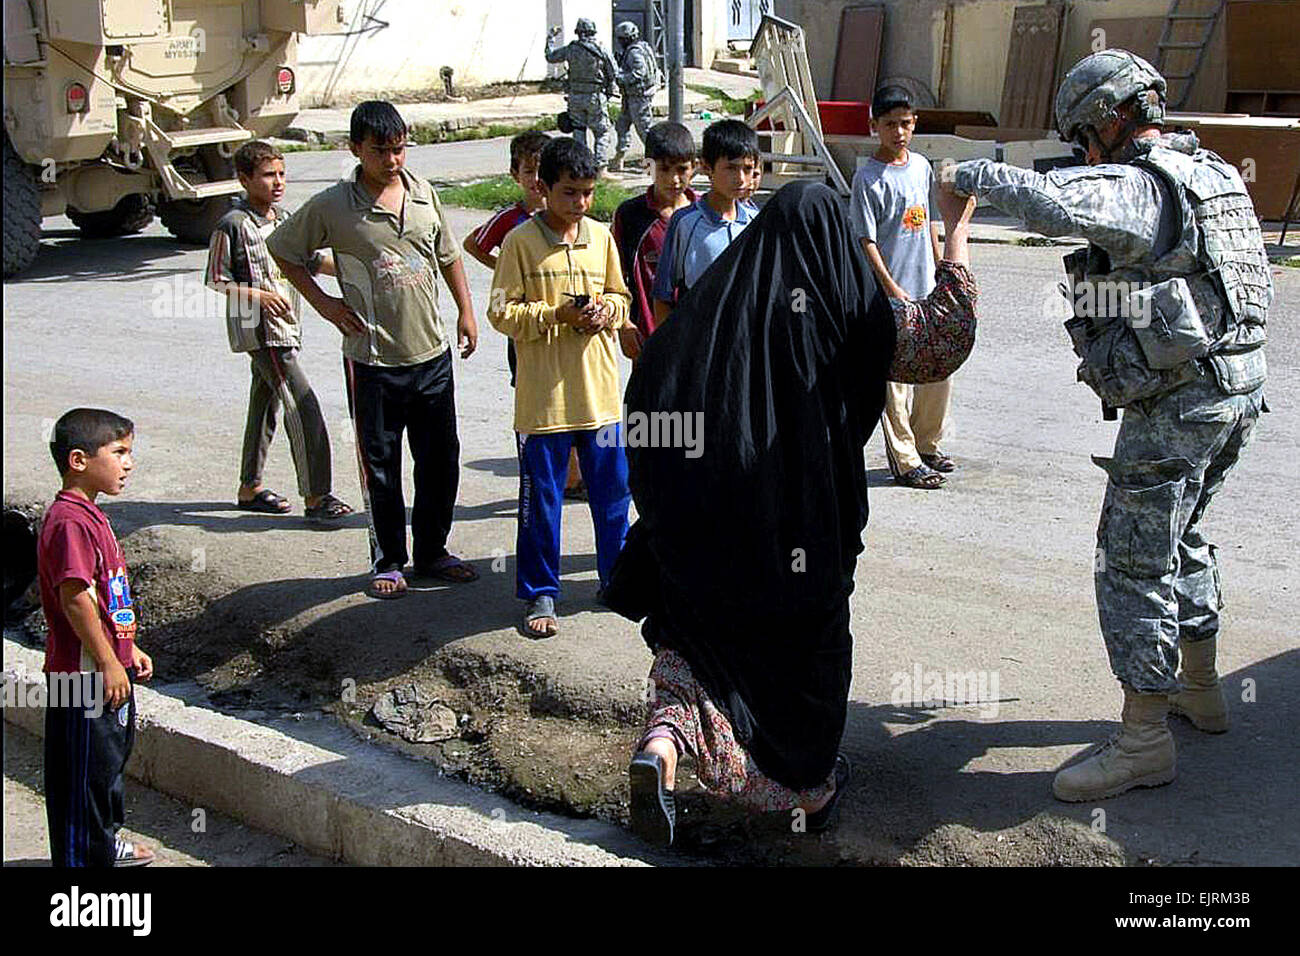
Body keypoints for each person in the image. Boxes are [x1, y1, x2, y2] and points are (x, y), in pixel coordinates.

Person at [605, 180, 981, 847]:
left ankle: (663, 746)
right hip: (798, 538)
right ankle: (809, 787)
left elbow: (645, 413)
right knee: (804, 657)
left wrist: (676, 508)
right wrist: (954, 232)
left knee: (695, 640)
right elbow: (942, 339)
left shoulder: (703, 316)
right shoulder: (849, 312)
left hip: (701, 536)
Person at [946, 49, 1271, 802]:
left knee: (1131, 559)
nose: (1086, 153)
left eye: (1085, 138)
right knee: (1183, 531)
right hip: (1238, 388)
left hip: (1182, 401)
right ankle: (1202, 688)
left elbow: (1054, 204)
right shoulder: (1216, 173)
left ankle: (1143, 741)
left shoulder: (1137, 184)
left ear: (1108, 120)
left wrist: (967, 174)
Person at [268, 101, 480, 599]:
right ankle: (388, 559)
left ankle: (433, 551)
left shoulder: (424, 195)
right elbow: (283, 249)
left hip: (431, 354)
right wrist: (323, 304)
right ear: (356, 150)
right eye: (381, 151)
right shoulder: (334, 206)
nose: (392, 160)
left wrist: (465, 313)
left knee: (440, 459)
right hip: (372, 361)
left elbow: (449, 257)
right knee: (380, 464)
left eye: (399, 149)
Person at [487, 137, 633, 638]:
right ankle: (541, 592)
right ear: (543, 188)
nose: (581, 203)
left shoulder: (602, 237)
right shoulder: (519, 243)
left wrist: (605, 311)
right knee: (542, 502)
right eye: (570, 193)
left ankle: (616, 579)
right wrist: (556, 314)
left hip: (600, 397)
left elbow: (621, 297)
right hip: (544, 403)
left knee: (614, 497)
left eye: (589, 193)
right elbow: (501, 311)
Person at [205, 140, 353, 522]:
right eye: (268, 175)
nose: (278, 182)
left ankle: (249, 487)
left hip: (286, 327)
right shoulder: (232, 225)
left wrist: (361, 266)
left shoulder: (284, 219)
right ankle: (318, 497)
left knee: (264, 405)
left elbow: (312, 260)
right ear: (244, 179)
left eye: (282, 174)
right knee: (304, 407)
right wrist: (258, 296)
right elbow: (217, 279)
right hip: (262, 332)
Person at [39, 408, 155, 867]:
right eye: (119, 452)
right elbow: (76, 598)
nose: (129, 463)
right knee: (80, 778)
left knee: (106, 767)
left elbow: (105, 597)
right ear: (79, 460)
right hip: (82, 678)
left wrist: (128, 648)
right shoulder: (69, 521)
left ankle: (103, 846)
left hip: (107, 669)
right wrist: (107, 660)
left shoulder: (91, 515)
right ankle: (79, 864)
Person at [463, 131, 587, 501]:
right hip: (527, 326)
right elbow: (473, 244)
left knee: (576, 398)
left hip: (569, 326)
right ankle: (542, 475)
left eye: (541, 170)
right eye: (528, 171)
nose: (535, 180)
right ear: (514, 174)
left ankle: (575, 475)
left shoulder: (572, 211)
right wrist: (504, 268)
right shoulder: (512, 221)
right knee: (534, 396)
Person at [853, 84, 954, 490]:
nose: (898, 132)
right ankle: (906, 459)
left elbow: (928, 220)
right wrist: (891, 286)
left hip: (927, 288)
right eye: (890, 124)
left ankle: (928, 443)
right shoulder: (868, 178)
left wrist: (943, 265)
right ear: (874, 125)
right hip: (891, 296)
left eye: (906, 124)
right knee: (895, 381)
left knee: (938, 369)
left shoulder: (921, 168)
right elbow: (866, 240)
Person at [651, 119, 760, 326]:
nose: (740, 179)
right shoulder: (685, 222)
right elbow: (662, 295)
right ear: (707, 167)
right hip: (698, 341)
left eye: (747, 169)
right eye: (731, 168)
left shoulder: (755, 220)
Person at [611, 121, 698, 360]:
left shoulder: (705, 213)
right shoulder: (630, 215)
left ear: (695, 167)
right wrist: (624, 324)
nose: (674, 179)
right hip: (647, 340)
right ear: (648, 166)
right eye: (664, 169)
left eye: (682, 169)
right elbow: (613, 276)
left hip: (698, 339)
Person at [546, 18, 620, 179]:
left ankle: (580, 167)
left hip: (575, 96)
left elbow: (550, 57)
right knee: (601, 131)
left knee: (579, 130)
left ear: (578, 32)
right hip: (595, 96)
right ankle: (601, 169)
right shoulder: (601, 49)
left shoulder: (571, 49)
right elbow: (614, 71)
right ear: (593, 32)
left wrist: (551, 38)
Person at [610, 20, 661, 172]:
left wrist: (620, 77)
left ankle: (656, 163)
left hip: (639, 97)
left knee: (644, 131)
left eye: (621, 39)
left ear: (627, 38)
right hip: (631, 96)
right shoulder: (643, 47)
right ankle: (619, 158)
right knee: (622, 126)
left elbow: (640, 72)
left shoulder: (634, 52)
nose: (619, 42)